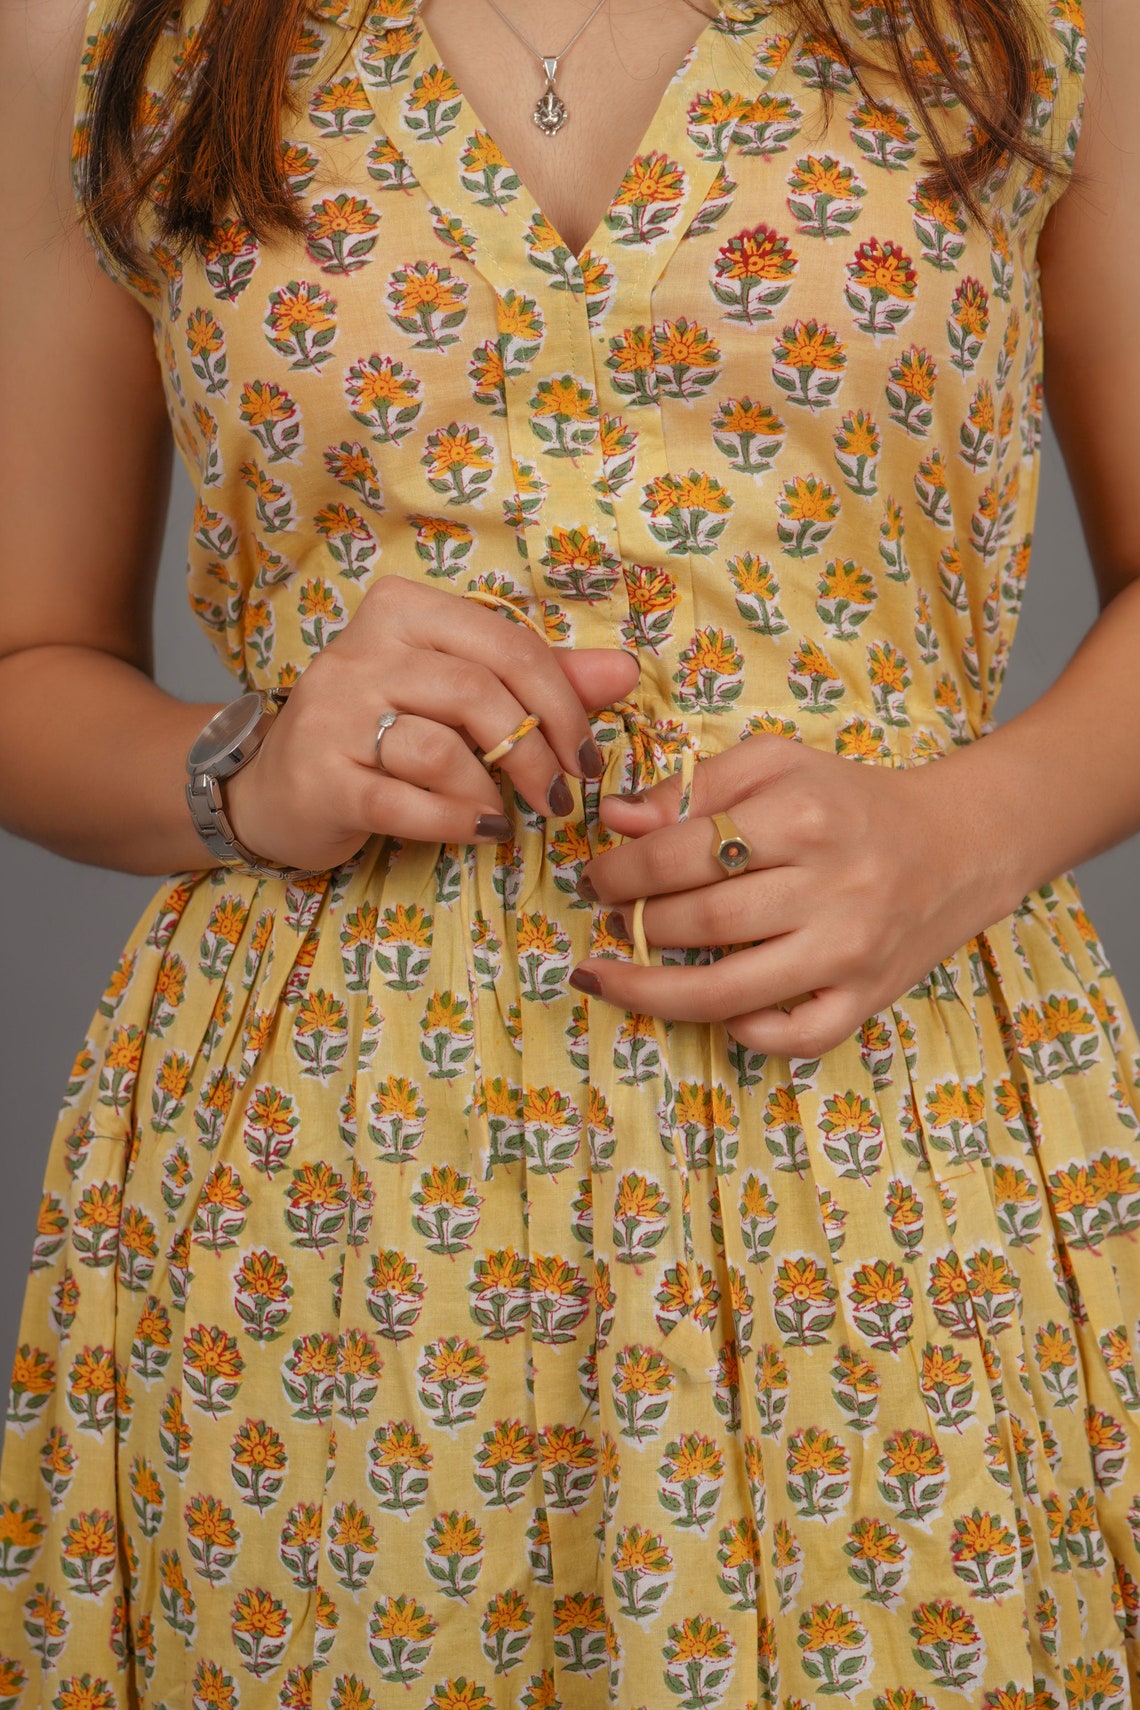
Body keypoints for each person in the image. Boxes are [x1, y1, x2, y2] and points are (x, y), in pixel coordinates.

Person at [2, 0, 1139, 1702]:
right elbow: (26, 662)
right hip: (329, 1225)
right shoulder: (98, 22)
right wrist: (249, 760)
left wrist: (963, 836)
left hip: (902, 1167)